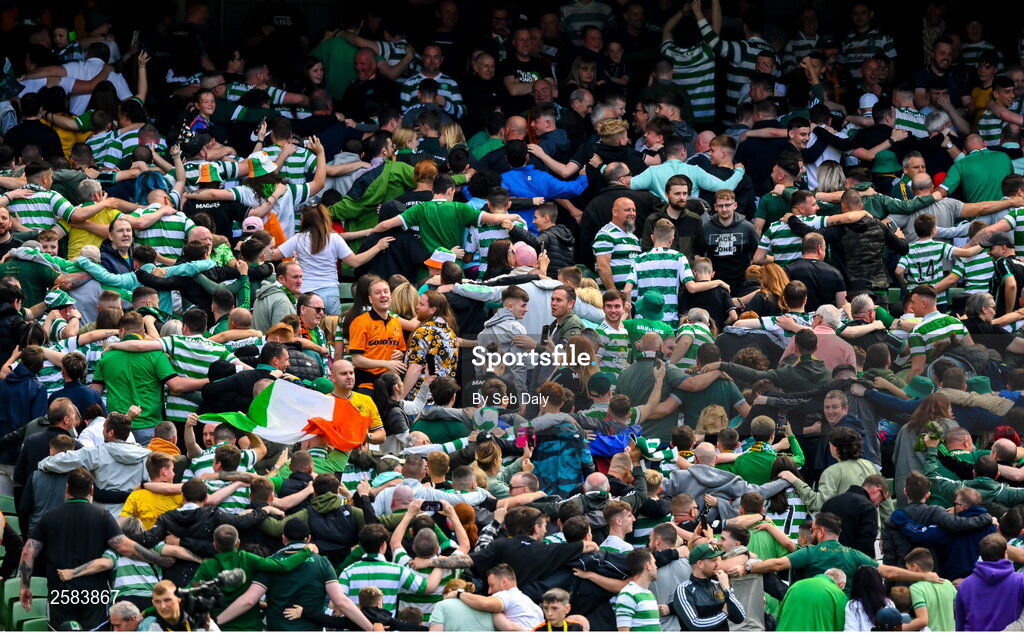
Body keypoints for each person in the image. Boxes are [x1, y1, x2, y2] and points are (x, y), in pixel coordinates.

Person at [21, 467, 172, 630]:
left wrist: (24, 586)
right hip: (95, 594)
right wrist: (158, 559)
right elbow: (124, 546)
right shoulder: (103, 516)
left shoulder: (49, 517)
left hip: (60, 590)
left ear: (67, 489)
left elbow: (28, 551)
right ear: (92, 490)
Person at [671, 543, 745, 630]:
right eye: (713, 560)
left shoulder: (719, 584)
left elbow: (739, 617)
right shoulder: (684, 589)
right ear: (700, 564)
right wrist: (723, 614)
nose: (717, 564)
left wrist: (727, 588)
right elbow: (695, 624)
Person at [614, 547, 661, 631]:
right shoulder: (627, 594)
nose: (656, 567)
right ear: (648, 566)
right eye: (654, 563)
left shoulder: (649, 594)